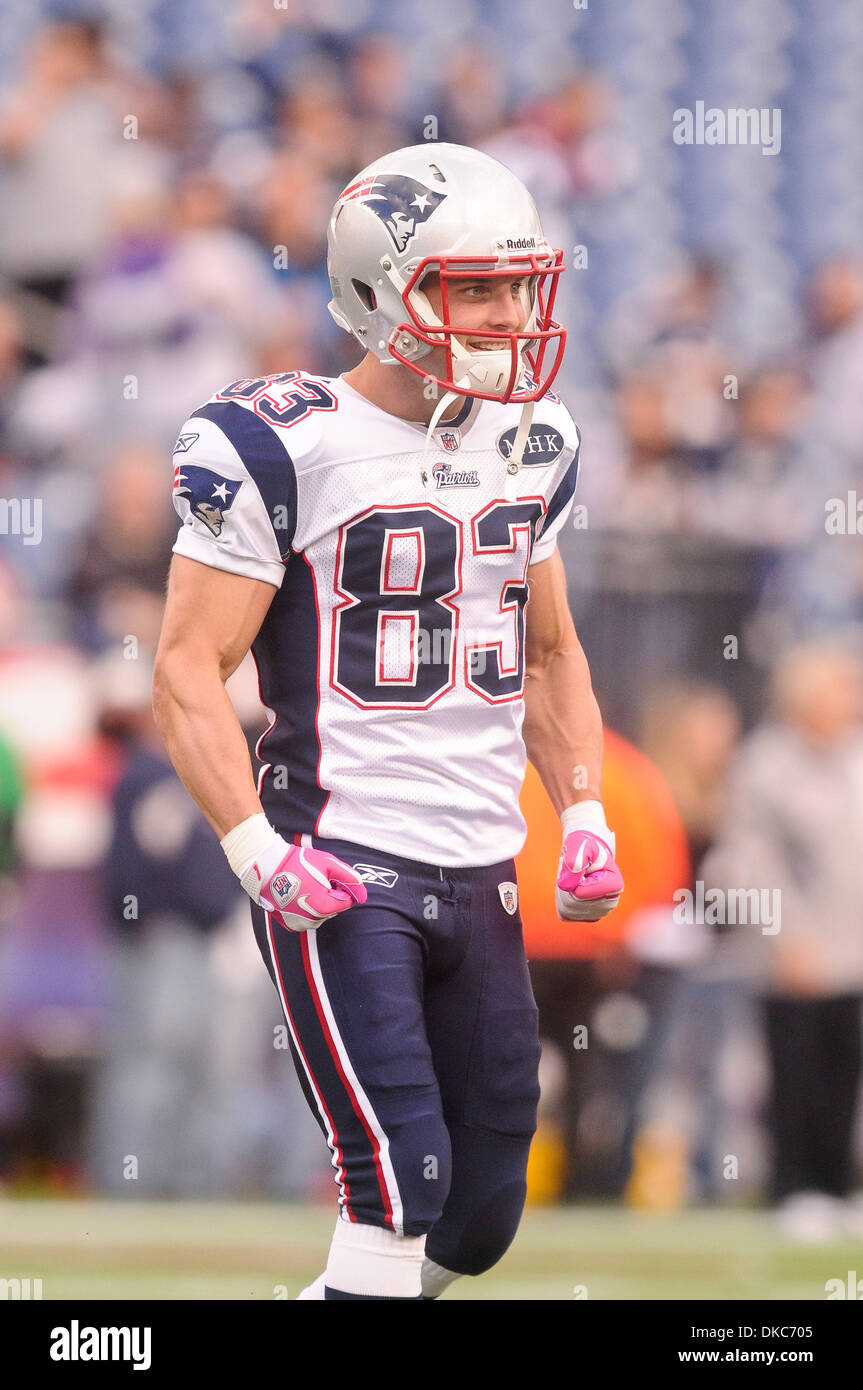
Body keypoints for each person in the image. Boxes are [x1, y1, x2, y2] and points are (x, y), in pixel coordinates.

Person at [152, 143, 624, 1300]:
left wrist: (582, 811)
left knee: (480, 1213)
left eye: (517, 285)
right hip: (341, 863)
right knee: (398, 1179)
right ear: (380, 292)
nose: (508, 314)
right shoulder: (281, 443)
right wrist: (255, 850)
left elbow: (548, 650)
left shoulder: (532, 438)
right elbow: (188, 666)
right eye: (475, 286)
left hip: (481, 863)